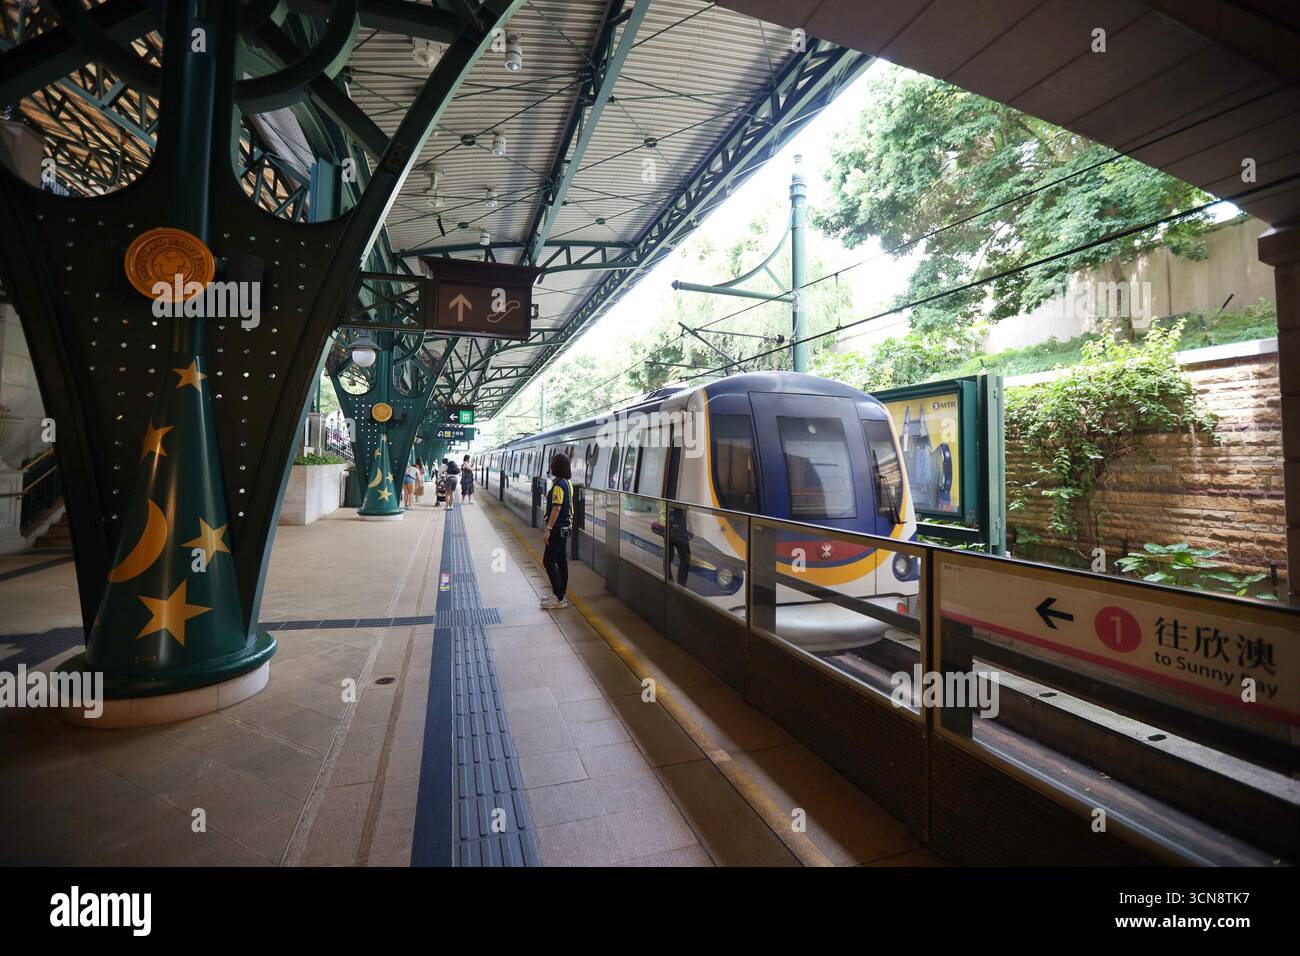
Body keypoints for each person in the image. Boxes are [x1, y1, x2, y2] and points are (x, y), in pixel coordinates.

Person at [540, 452, 572, 610]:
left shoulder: (558, 485)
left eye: (552, 463)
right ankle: (559, 594)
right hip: (565, 528)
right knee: (561, 561)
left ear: (556, 466)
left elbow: (557, 508)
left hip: (557, 527)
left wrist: (548, 529)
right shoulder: (567, 483)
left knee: (548, 561)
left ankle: (559, 598)